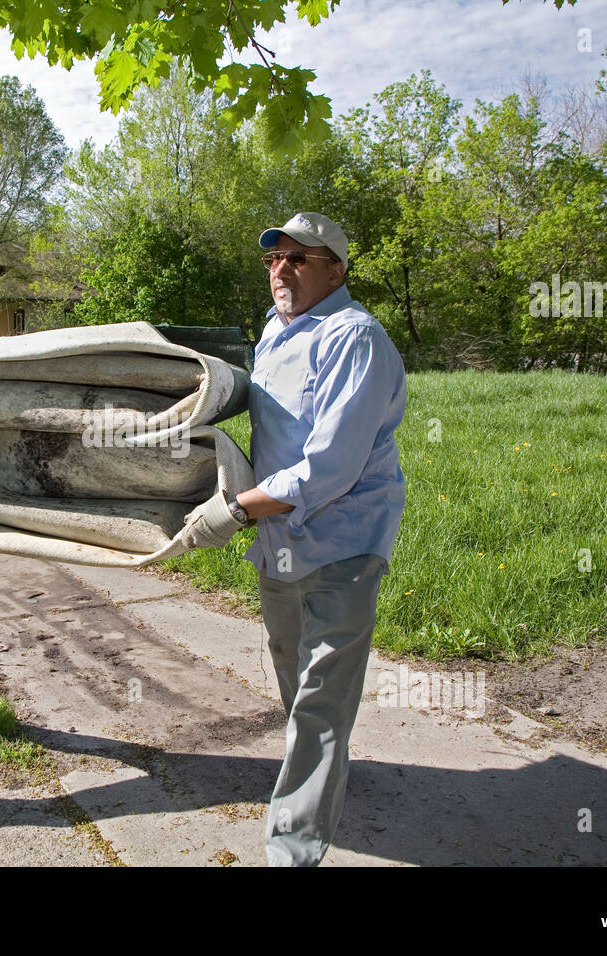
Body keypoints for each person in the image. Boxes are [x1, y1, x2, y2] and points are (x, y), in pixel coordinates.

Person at [185, 212, 406, 866]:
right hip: (281, 540)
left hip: (345, 541)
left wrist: (236, 512)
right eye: (273, 260)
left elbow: (330, 466)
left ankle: (292, 850)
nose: (281, 270)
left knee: (317, 698)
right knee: (291, 672)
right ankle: (323, 769)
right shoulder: (275, 332)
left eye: (298, 259)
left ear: (335, 270)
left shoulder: (354, 337)